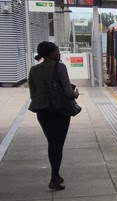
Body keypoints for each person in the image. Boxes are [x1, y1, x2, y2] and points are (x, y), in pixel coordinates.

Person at [27, 41, 79, 191]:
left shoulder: (34, 70)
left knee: (52, 142)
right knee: (58, 144)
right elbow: (68, 92)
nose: (59, 53)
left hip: (42, 111)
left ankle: (55, 175)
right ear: (50, 53)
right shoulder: (60, 68)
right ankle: (54, 177)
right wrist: (75, 94)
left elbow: (33, 94)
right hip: (60, 111)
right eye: (57, 51)